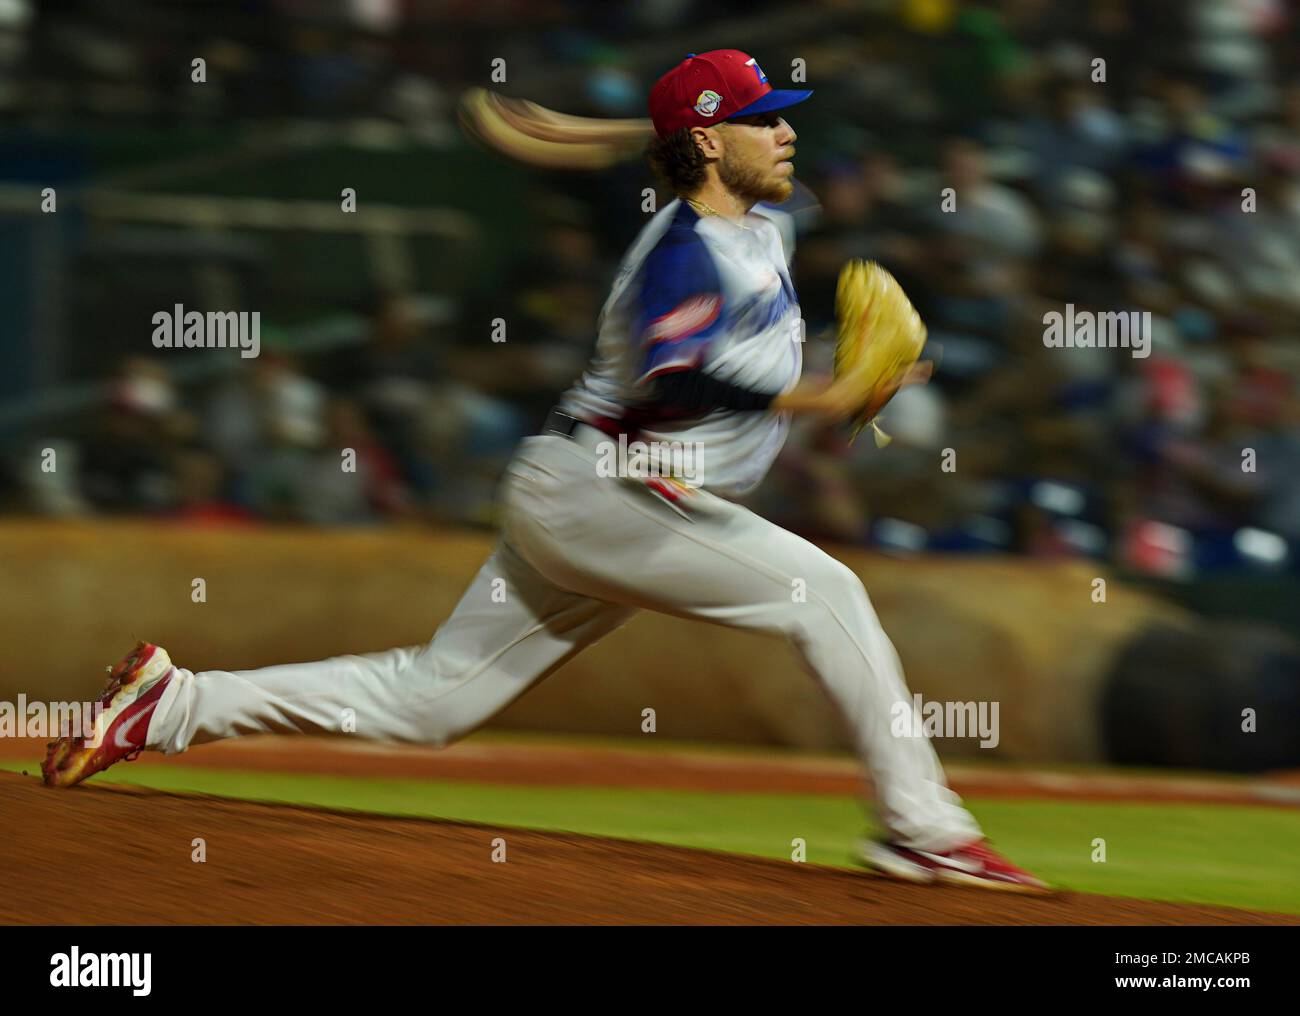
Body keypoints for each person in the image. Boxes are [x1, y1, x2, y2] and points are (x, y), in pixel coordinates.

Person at [43, 50, 1045, 893]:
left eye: (782, 117)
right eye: (763, 119)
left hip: (592, 492)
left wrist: (638, 133)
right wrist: (826, 396)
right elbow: (677, 379)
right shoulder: (683, 254)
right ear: (707, 143)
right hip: (607, 487)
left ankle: (170, 704)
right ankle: (922, 826)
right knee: (824, 591)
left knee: (435, 701)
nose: (787, 133)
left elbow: (758, 178)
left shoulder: (763, 222)